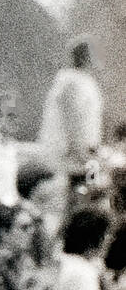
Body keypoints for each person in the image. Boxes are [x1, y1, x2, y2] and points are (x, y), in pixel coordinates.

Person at [39, 39, 103, 182]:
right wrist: (79, 151)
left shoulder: (85, 81)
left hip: (86, 152)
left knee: (89, 194)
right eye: (93, 52)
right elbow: (71, 119)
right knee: (78, 194)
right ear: (85, 56)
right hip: (73, 154)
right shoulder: (71, 82)